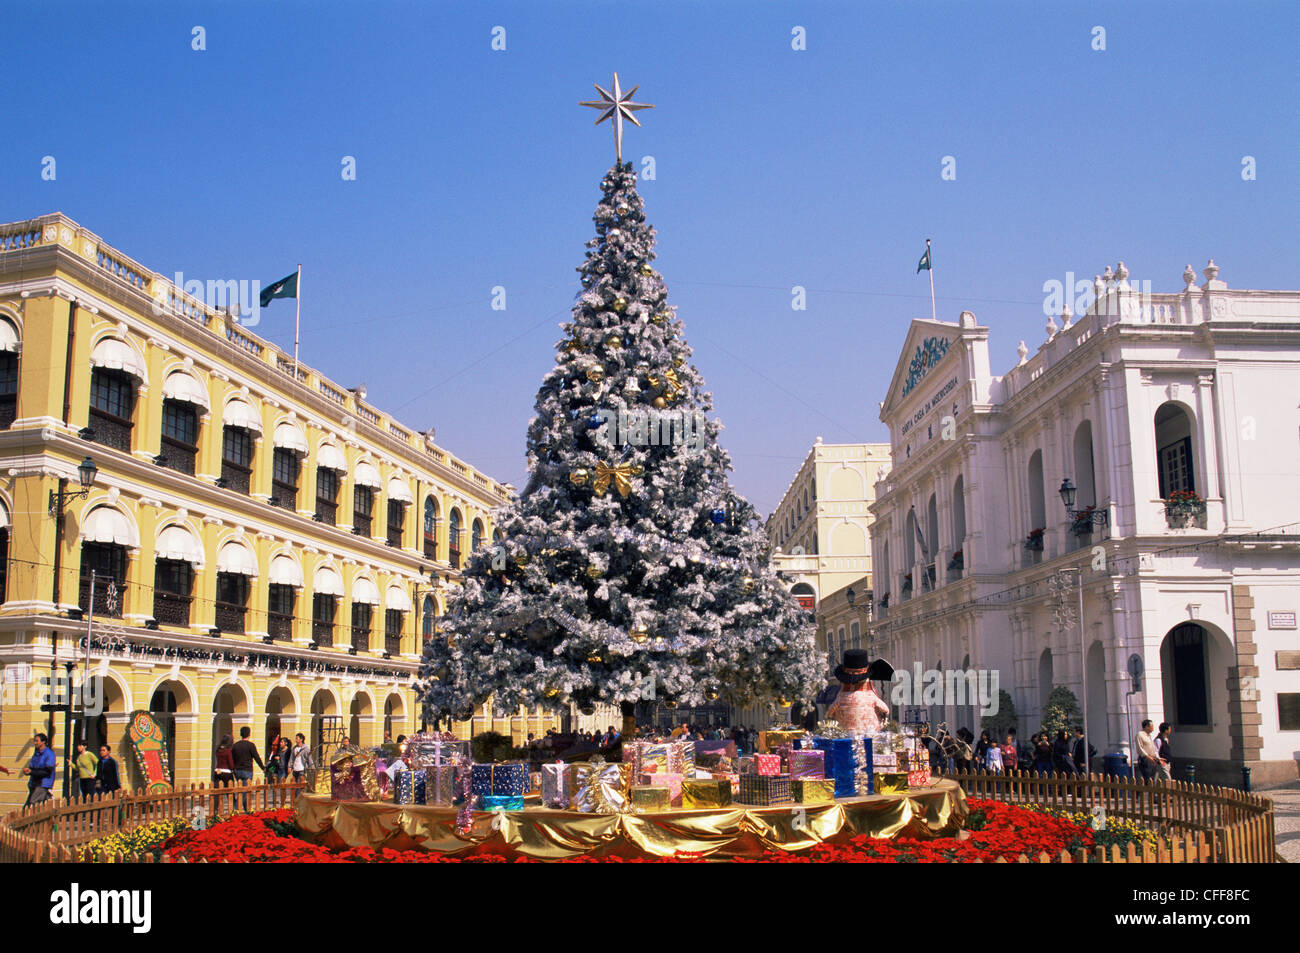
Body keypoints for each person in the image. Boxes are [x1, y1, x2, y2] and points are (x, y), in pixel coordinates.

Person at [825, 649, 891, 734]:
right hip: (870, 735)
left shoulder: (840, 697)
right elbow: (886, 710)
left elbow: (829, 713)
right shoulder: (871, 697)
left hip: (845, 736)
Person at [23, 733, 57, 806]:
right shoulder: (36, 753)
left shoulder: (49, 754)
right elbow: (32, 766)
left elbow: (47, 771)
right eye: (34, 741)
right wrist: (28, 771)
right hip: (34, 782)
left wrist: (32, 772)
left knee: (33, 803)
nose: (35, 743)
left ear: (43, 742)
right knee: (34, 804)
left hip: (43, 783)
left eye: (37, 741)